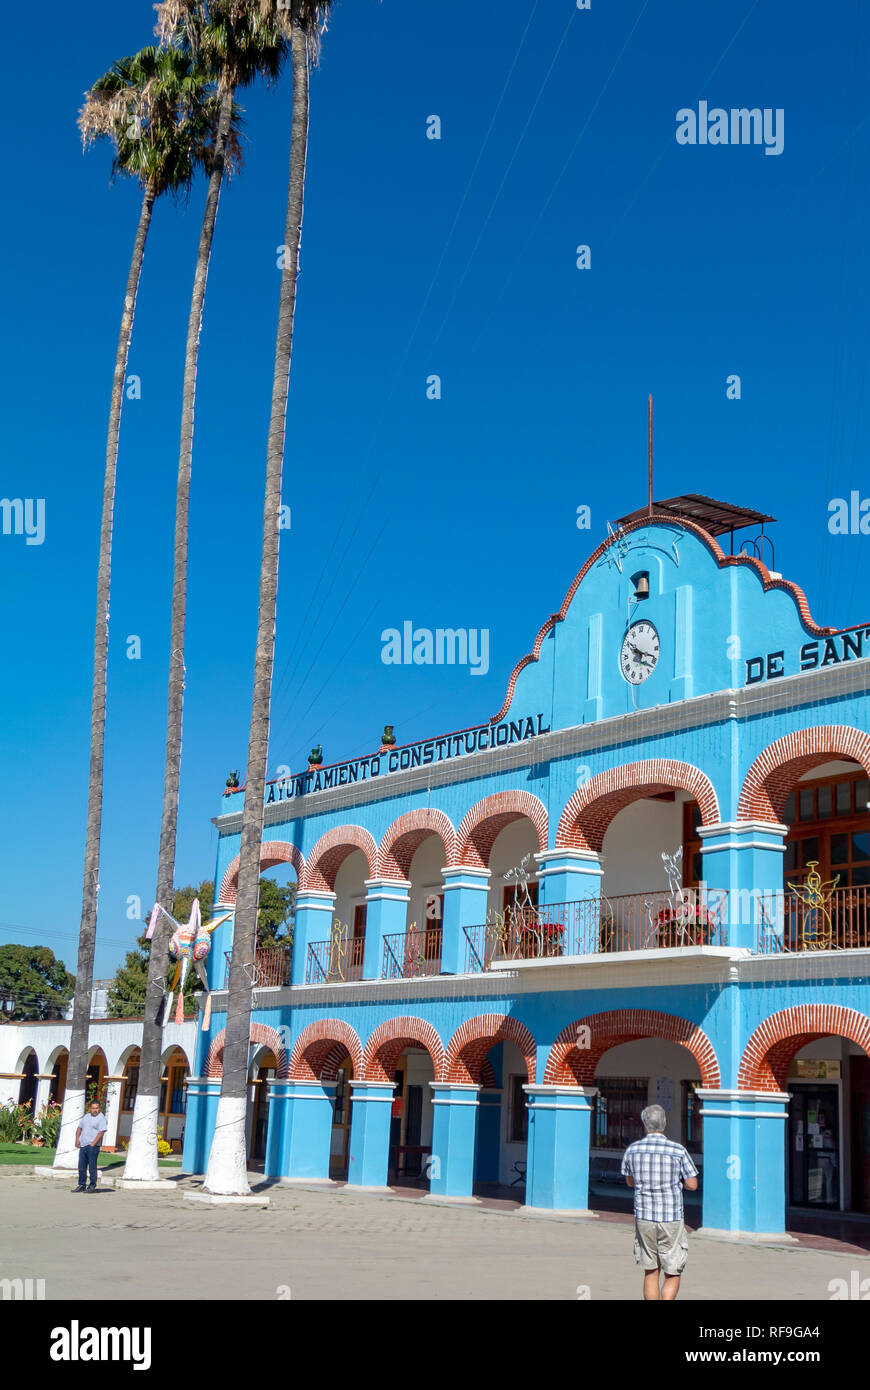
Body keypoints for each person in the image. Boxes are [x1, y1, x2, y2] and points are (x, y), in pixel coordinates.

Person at [621, 1103, 699, 1300]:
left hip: (644, 1216)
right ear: (664, 1123)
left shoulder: (633, 1150)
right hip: (671, 1217)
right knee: (673, 1270)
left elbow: (630, 1181)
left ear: (644, 1124)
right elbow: (692, 1184)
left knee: (650, 1269)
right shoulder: (678, 1150)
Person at [74, 1100, 108, 1192]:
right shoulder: (86, 1117)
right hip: (83, 1145)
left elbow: (101, 1132)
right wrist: (77, 1139)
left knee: (92, 1167)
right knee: (81, 1166)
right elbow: (79, 1128)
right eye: (93, 1108)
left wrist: (93, 1144)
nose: (95, 1110)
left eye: (97, 1108)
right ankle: (81, 1184)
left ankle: (92, 1185)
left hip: (93, 1146)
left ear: (99, 1108)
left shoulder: (101, 1118)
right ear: (90, 1108)